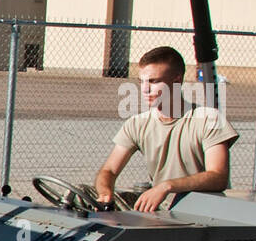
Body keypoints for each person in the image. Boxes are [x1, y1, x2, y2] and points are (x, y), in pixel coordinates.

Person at [94, 45, 238, 213]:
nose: (145, 89)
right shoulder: (137, 124)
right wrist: (105, 191)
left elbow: (218, 177)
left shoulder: (208, 119)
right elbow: (109, 170)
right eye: (142, 82)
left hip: (204, 214)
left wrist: (167, 186)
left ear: (176, 81)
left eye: (154, 81)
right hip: (162, 213)